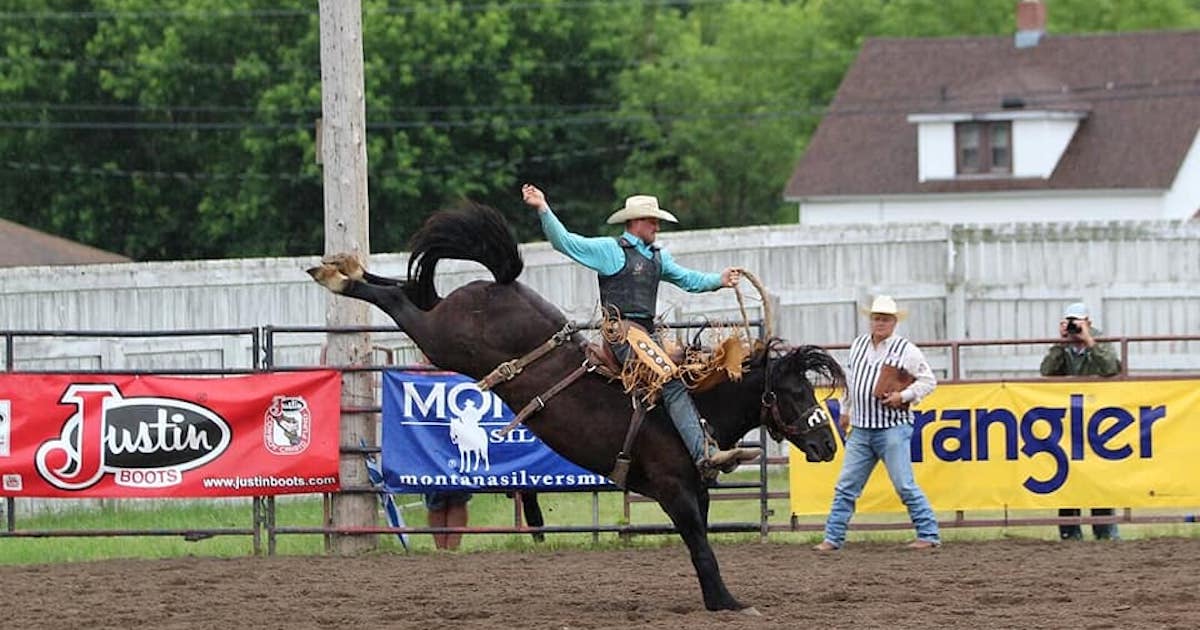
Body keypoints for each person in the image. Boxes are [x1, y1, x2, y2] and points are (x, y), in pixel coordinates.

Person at [520, 184, 760, 475]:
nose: (657, 226)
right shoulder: (610, 250)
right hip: (622, 333)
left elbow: (688, 279)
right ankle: (704, 454)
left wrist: (718, 280)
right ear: (635, 222)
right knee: (669, 379)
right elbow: (566, 242)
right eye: (652, 220)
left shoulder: (658, 256)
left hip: (648, 334)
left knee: (696, 368)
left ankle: (700, 446)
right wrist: (543, 208)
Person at [814, 295, 940, 551]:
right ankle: (832, 538)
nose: (880, 323)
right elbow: (850, 381)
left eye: (885, 319)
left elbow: (929, 381)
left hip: (892, 426)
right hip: (862, 427)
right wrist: (845, 410)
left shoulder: (906, 350)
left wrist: (903, 396)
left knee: (904, 484)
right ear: (870, 320)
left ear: (894, 322)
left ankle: (928, 534)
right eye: (876, 318)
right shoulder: (858, 345)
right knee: (846, 486)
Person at [1039, 301, 1121, 541]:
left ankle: (1105, 530)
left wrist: (1089, 341)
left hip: (1098, 418)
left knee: (1099, 474)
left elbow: (1111, 368)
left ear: (1088, 322)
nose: (1074, 327)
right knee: (1066, 472)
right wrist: (1060, 343)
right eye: (1070, 322)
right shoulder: (1063, 348)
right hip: (1068, 420)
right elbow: (1046, 371)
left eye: (1078, 321)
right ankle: (1070, 531)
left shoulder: (1101, 342)